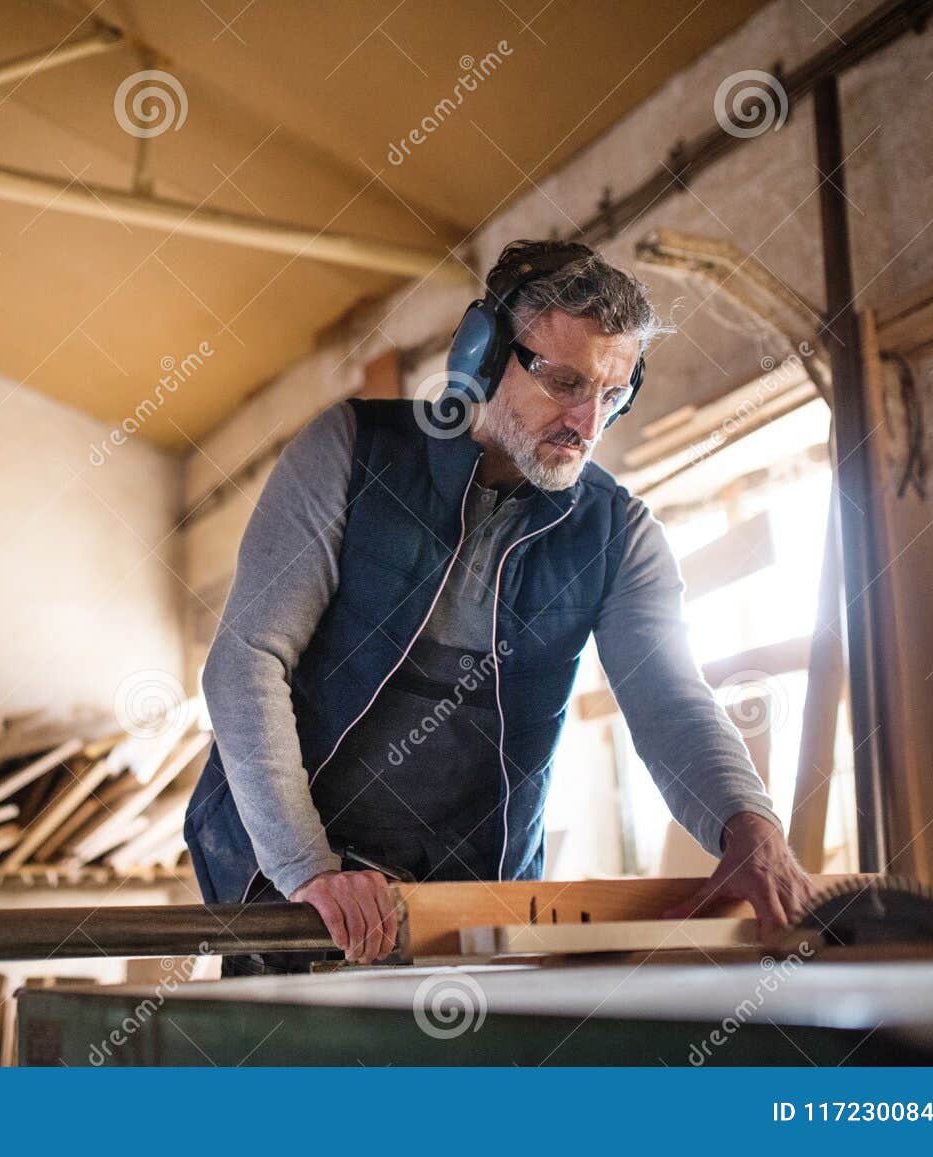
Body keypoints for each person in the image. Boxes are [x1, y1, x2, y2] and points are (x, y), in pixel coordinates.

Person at [185, 239, 812, 973]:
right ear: (481, 357)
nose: (587, 421)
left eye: (612, 394)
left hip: (473, 903)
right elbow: (246, 661)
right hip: (306, 891)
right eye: (565, 381)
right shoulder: (351, 453)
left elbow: (671, 700)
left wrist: (751, 827)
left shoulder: (619, 534)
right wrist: (307, 868)